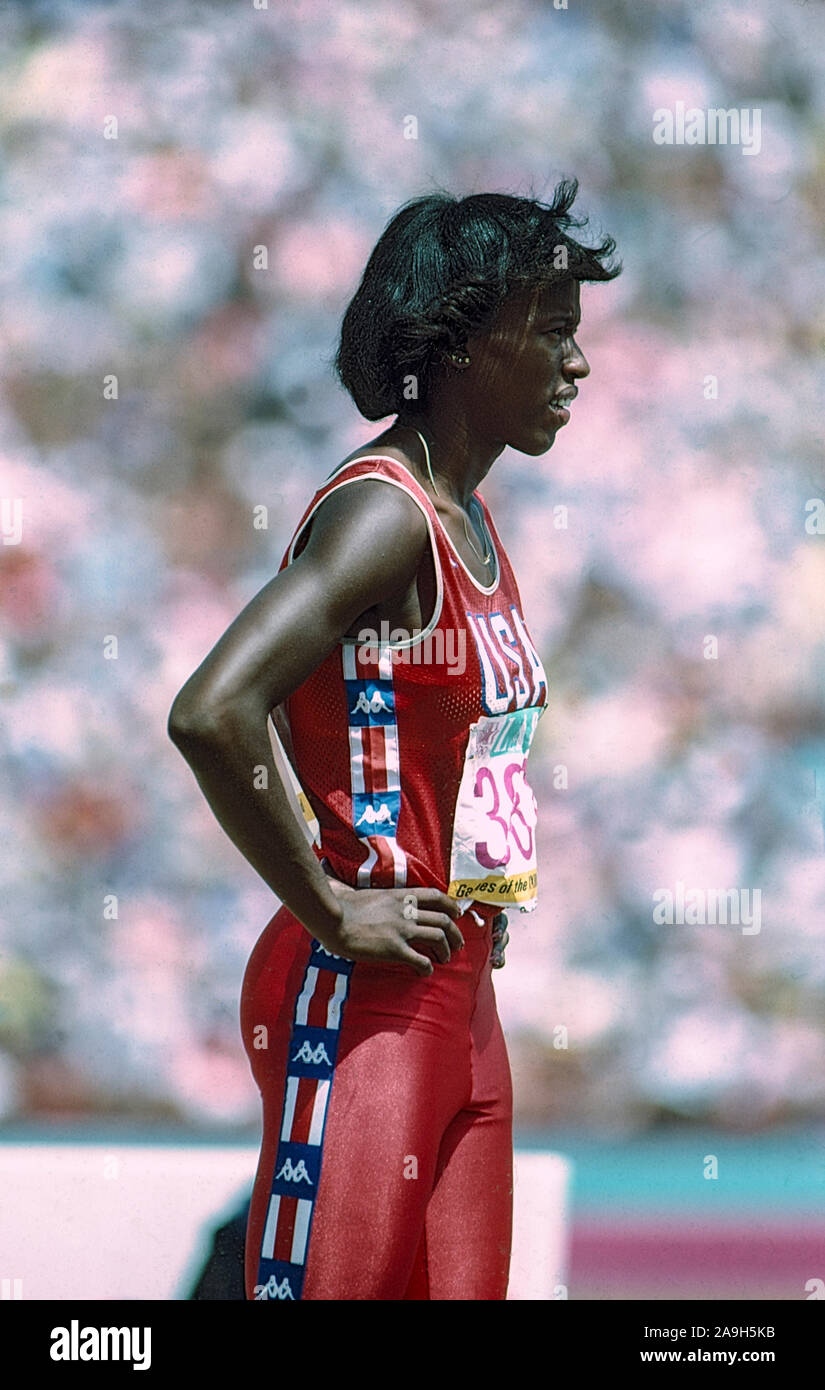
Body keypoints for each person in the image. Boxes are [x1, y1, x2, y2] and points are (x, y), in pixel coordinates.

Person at [168, 179, 620, 1300]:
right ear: (465, 345)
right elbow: (211, 708)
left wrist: (486, 887)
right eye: (553, 334)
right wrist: (331, 903)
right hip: (360, 987)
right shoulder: (384, 514)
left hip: (458, 986)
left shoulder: (467, 516)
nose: (579, 365)